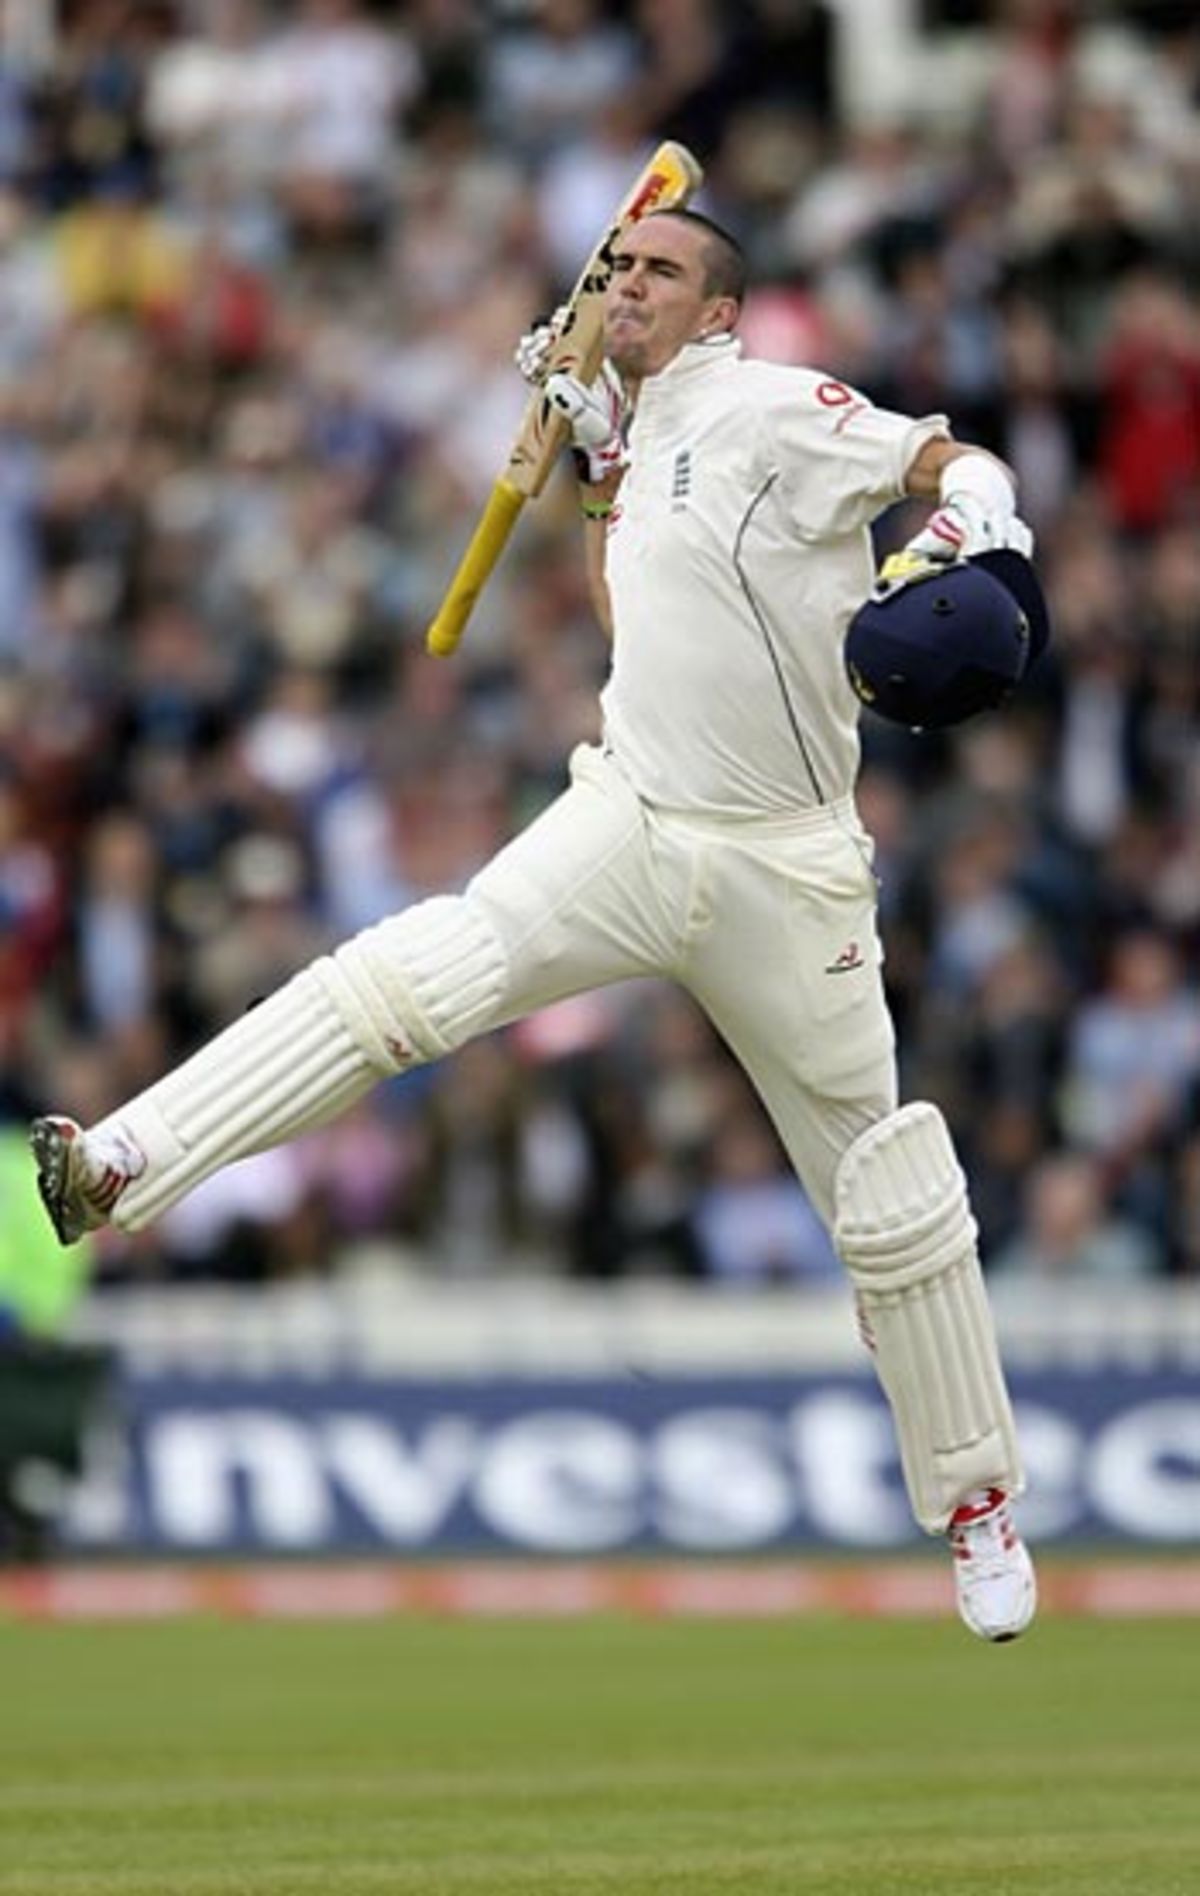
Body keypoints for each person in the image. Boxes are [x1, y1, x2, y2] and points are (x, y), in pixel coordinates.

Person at [30, 208, 1036, 1640]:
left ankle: (983, 1509)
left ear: (720, 309)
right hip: (629, 815)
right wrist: (597, 471)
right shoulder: (639, 447)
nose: (627, 286)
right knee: (406, 974)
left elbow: (947, 454)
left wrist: (976, 517)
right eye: (618, 268)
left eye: (661, 273)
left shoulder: (768, 408)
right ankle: (127, 1161)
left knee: (887, 1195)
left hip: (785, 864)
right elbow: (644, 621)